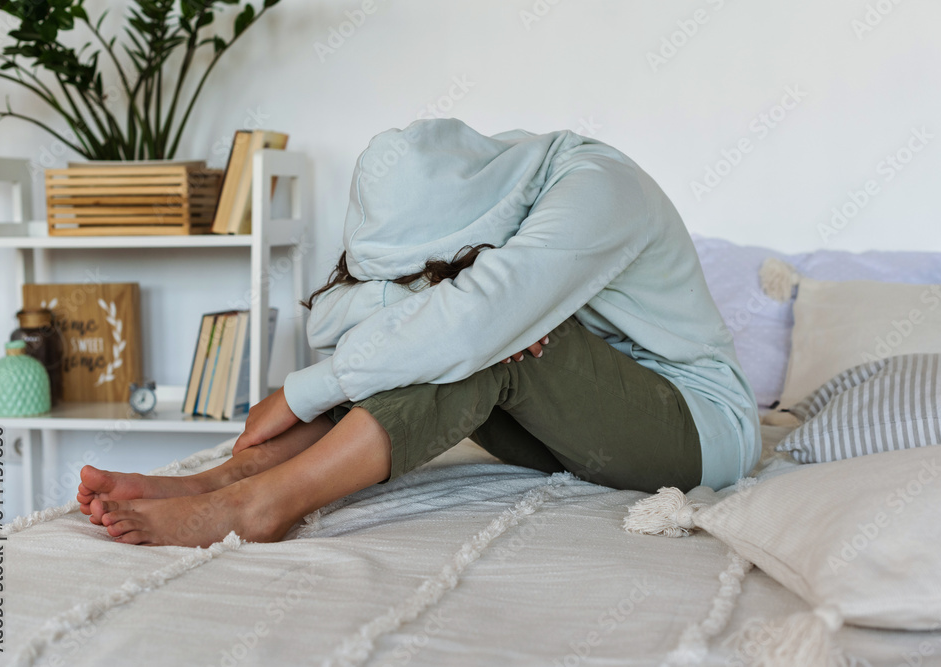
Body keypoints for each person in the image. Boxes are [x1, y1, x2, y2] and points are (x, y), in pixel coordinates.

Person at [78, 118, 761, 548]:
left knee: (480, 346)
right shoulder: (483, 187)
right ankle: (233, 474)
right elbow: (338, 316)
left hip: (696, 428)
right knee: (438, 339)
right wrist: (430, 310)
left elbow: (467, 324)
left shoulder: (601, 190)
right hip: (580, 426)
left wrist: (301, 391)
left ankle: (261, 504)